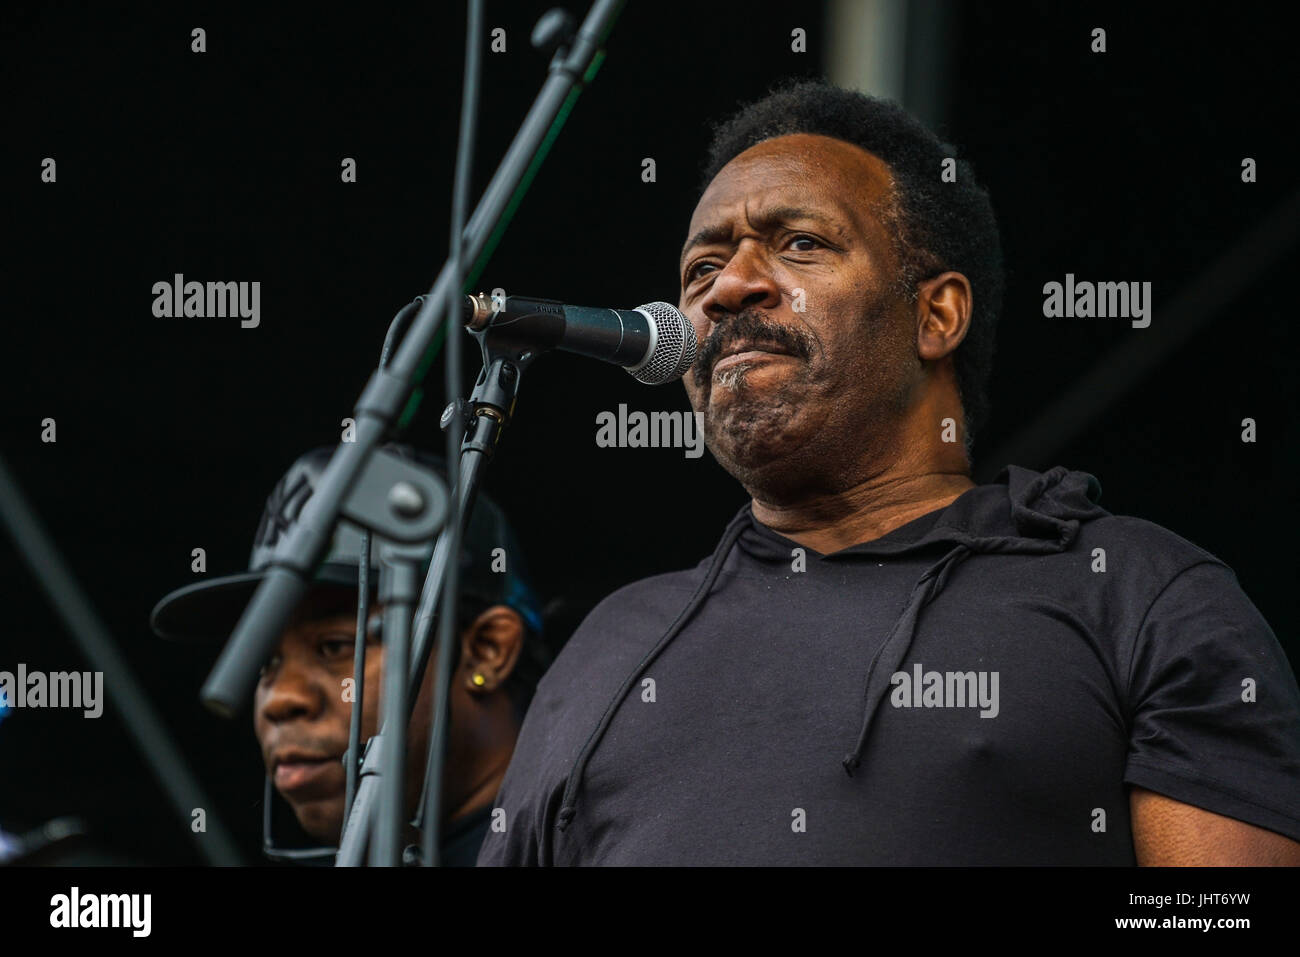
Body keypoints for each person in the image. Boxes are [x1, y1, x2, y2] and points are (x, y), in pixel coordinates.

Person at [478, 79, 1300, 866]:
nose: (730, 286)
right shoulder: (608, 648)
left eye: (799, 243)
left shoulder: (1137, 593)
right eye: (702, 269)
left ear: (935, 313)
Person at [151, 444, 549, 865]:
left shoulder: (591, 841)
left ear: (489, 650)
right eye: (266, 661)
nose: (280, 699)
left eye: (337, 647)